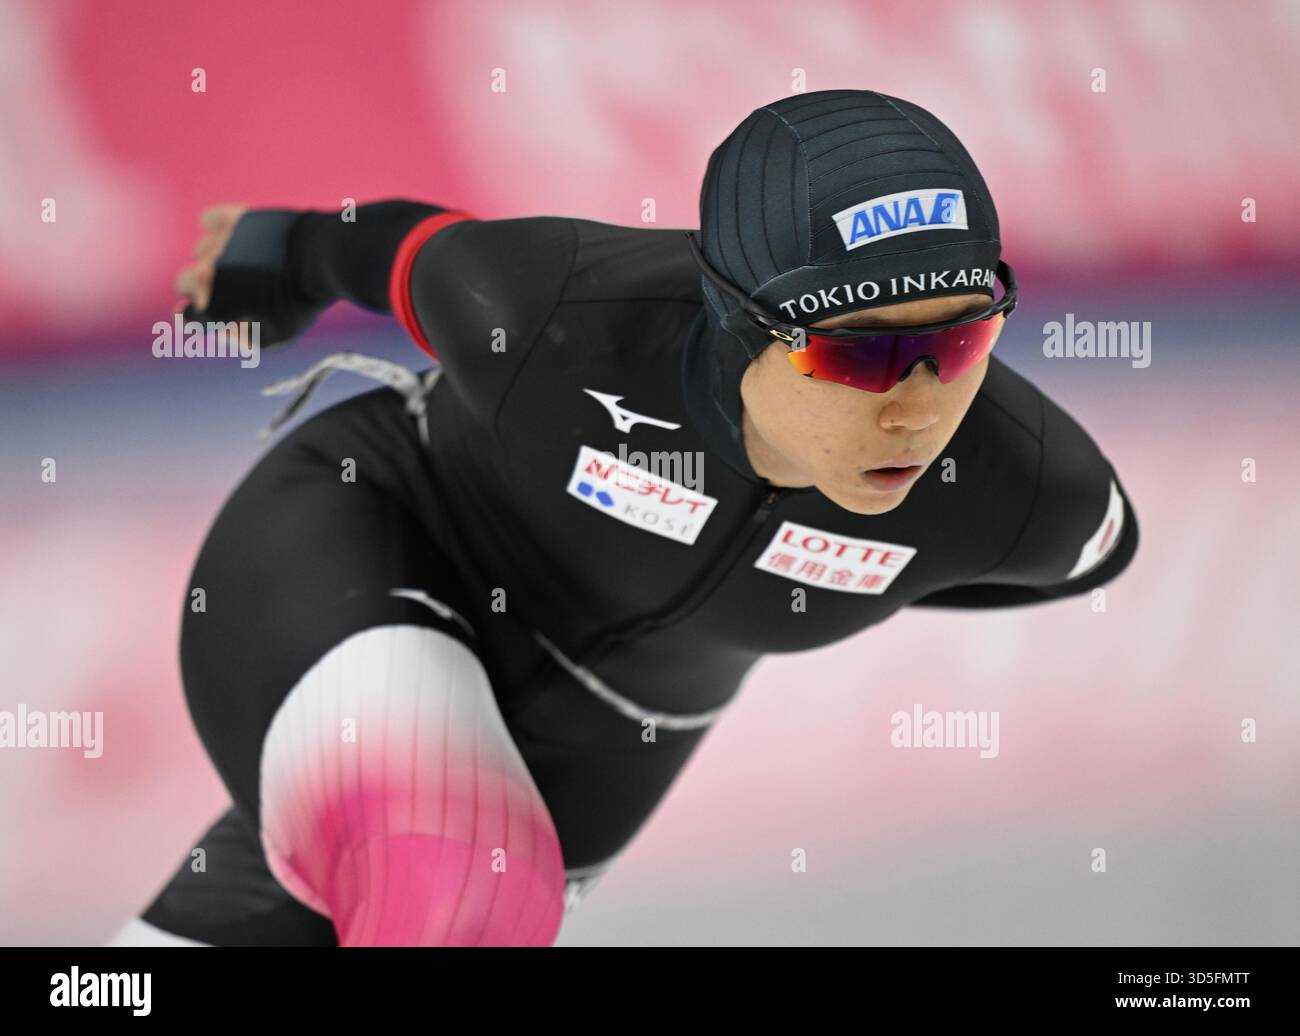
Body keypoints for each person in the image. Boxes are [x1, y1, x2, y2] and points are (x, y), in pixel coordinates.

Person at [108, 88, 1138, 947]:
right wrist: (272, 256)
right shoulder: (559, 317)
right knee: (460, 890)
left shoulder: (1028, 487)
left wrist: (861, 568)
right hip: (365, 549)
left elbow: (1093, 557)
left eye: (959, 344)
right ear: (737, 322)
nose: (916, 405)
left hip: (602, 746)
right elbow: (391, 250)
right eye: (857, 351)